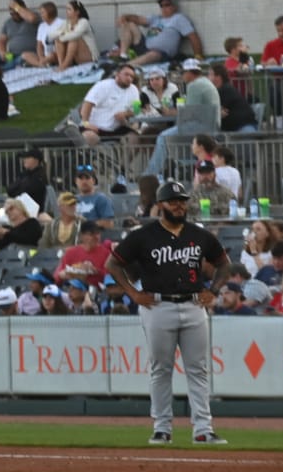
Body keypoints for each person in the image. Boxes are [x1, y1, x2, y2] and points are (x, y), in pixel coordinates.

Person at [105, 180, 229, 446]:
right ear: (160, 205)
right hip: (157, 305)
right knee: (161, 369)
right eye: (173, 201)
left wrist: (215, 290)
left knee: (198, 369)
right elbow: (112, 264)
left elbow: (224, 263)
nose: (179, 205)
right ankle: (162, 428)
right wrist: (132, 293)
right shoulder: (143, 235)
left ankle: (203, 429)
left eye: (182, 201)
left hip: (194, 304)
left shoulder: (199, 234)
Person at [79, 63, 140, 145]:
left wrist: (125, 114)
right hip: (95, 127)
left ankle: (121, 158)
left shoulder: (134, 90)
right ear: (117, 74)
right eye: (126, 75)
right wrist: (86, 124)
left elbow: (137, 110)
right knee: (90, 137)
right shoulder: (102, 86)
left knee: (135, 139)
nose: (129, 78)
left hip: (116, 129)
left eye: (132, 76)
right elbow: (87, 104)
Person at [53, 0, 97, 71]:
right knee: (58, 40)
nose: (66, 11)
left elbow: (74, 35)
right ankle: (61, 64)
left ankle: (64, 66)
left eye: (69, 9)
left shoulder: (84, 22)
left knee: (74, 39)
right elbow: (53, 34)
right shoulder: (66, 22)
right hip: (75, 58)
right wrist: (60, 35)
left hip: (89, 57)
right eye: (66, 9)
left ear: (77, 12)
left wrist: (61, 35)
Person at [0, 0, 40, 66]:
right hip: (12, 56)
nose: (13, 13)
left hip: (30, 55)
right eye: (11, 11)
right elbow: (1, 40)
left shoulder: (33, 16)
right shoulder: (8, 22)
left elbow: (32, 18)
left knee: (23, 58)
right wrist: (2, 52)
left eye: (16, 11)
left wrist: (16, 7)